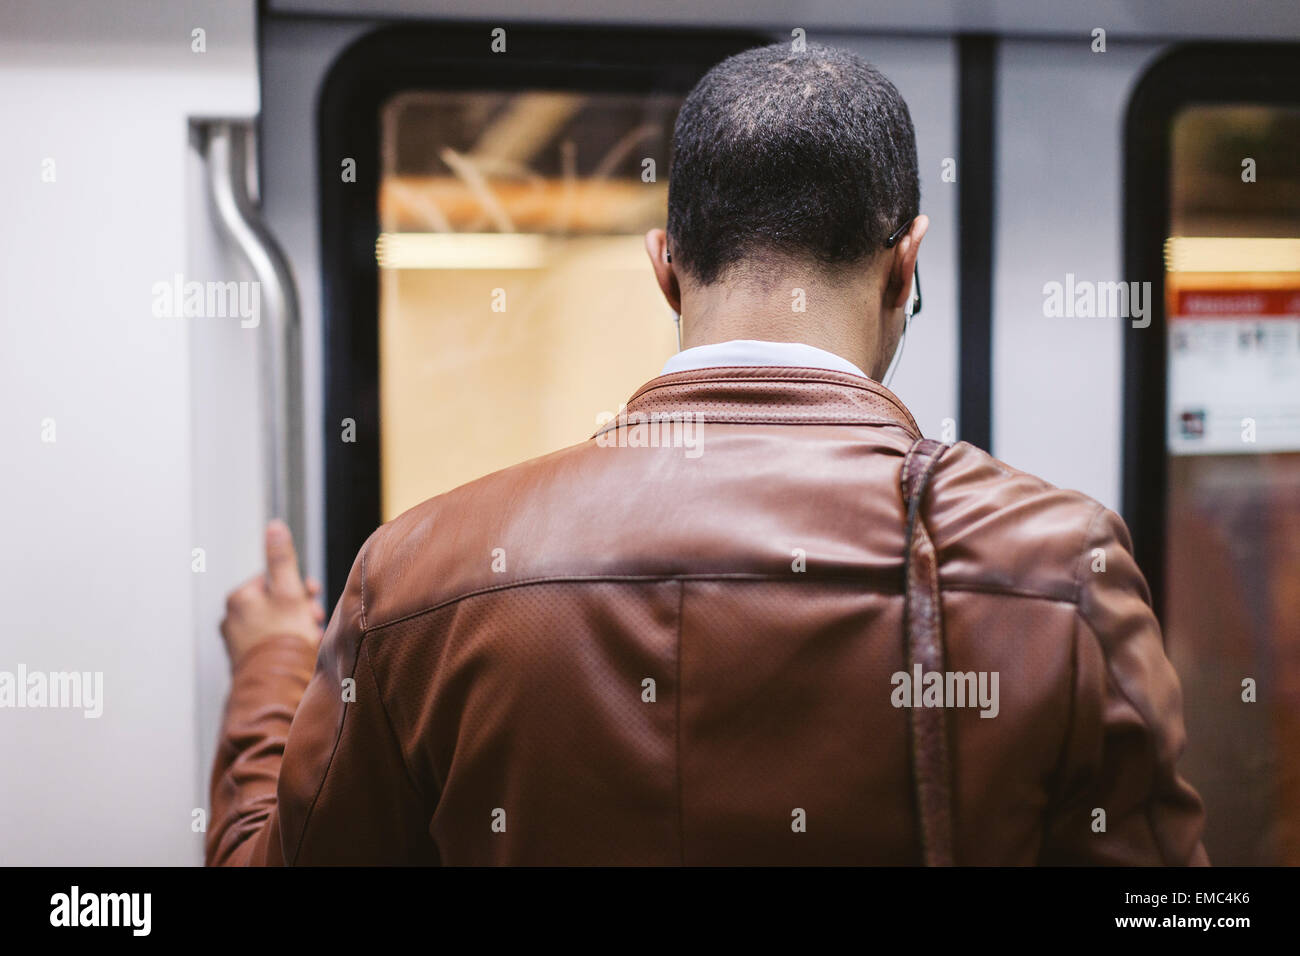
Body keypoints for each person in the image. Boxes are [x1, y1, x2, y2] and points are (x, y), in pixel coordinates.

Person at [207, 42, 1207, 865]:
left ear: (664, 267)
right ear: (908, 261)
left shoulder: (425, 570)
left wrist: (272, 663)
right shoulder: (1056, 563)